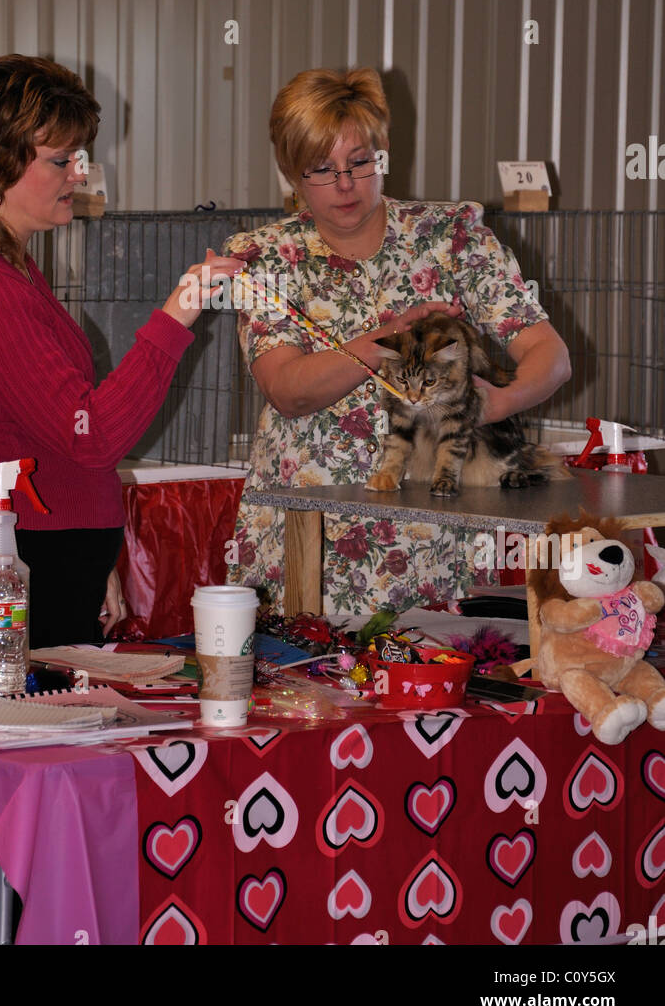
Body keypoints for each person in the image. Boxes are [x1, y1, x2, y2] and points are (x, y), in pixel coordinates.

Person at [0, 54, 240, 655]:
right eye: (60, 160)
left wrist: (91, 549)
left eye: (78, 158)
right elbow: (94, 435)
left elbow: (50, 433)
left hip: (33, 549)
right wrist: (179, 312)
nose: (78, 175)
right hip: (6, 556)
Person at [223, 66, 571, 616]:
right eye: (320, 169)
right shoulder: (266, 257)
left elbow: (550, 356)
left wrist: (498, 401)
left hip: (432, 541)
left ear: (383, 151)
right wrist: (384, 339)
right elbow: (288, 390)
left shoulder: (451, 238)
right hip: (306, 538)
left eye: (360, 162)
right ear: (290, 171)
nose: (344, 185)